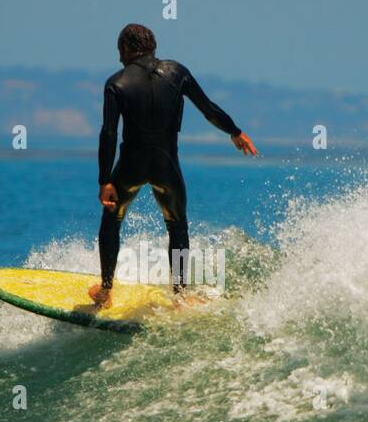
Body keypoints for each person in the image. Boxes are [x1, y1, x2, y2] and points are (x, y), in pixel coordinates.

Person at [90, 23, 257, 307]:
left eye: (120, 51)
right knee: (177, 226)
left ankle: (106, 291)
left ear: (128, 49)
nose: (119, 57)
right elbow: (208, 108)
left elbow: (108, 133)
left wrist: (105, 180)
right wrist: (235, 131)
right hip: (166, 167)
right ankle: (180, 296)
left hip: (131, 164)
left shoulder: (115, 83)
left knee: (112, 219)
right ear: (152, 46)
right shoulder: (177, 72)